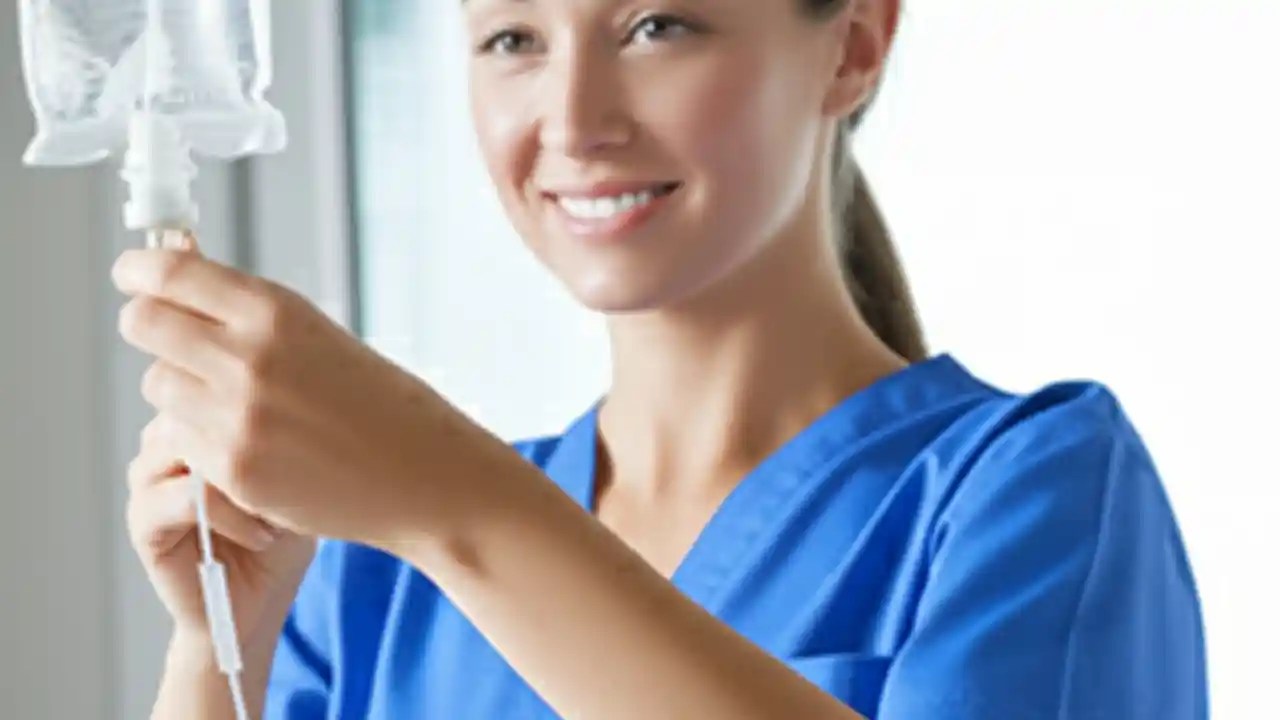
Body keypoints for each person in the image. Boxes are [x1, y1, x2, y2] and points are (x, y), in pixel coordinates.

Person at [112, 0, 1207, 718]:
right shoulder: (372, 575)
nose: (573, 120)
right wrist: (214, 651)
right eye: (513, 40)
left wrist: (457, 508)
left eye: (656, 25)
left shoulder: (1029, 495)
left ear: (854, 44)